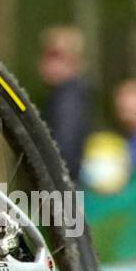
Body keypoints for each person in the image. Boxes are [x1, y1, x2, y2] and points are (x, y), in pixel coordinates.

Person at [37, 26, 91, 181]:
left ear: (75, 61)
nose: (47, 62)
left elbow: (64, 150)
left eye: (56, 56)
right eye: (46, 54)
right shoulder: (62, 95)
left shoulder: (68, 99)